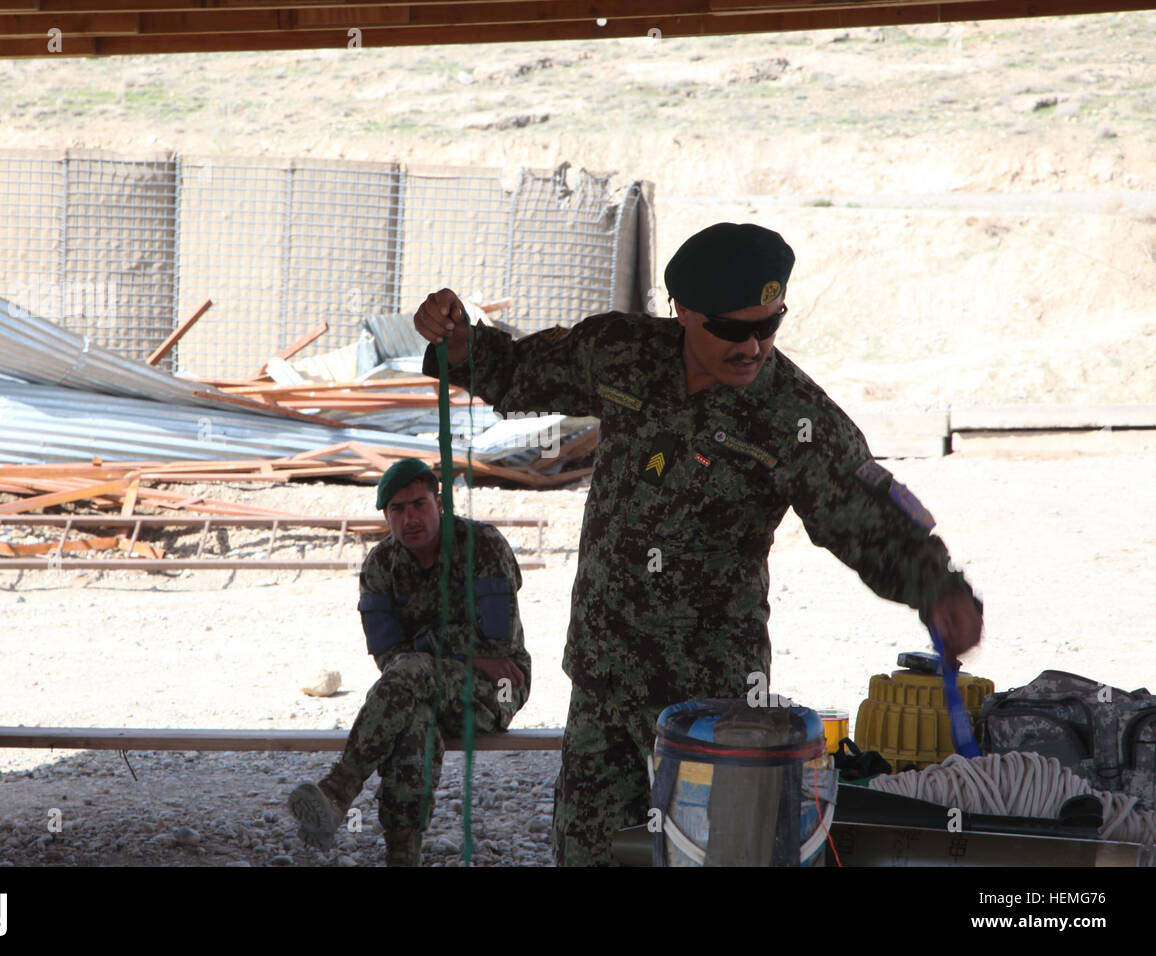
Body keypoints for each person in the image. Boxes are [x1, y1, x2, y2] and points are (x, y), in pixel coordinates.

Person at [412, 222, 984, 866]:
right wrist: (459, 343)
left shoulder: (791, 415)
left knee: (712, 857)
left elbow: (863, 513)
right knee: (592, 854)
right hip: (604, 674)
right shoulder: (622, 350)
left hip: (711, 702)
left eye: (770, 325)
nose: (754, 347)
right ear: (681, 311)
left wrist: (936, 589)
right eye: (732, 329)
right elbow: (518, 372)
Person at [288, 458, 531, 866]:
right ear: (386, 516)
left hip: (497, 688)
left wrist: (424, 644)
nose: (410, 518)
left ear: (440, 503)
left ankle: (339, 790)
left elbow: (498, 642)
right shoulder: (380, 566)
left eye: (418, 504)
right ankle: (402, 855)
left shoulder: (483, 546)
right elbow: (386, 655)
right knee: (414, 720)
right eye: (397, 510)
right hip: (416, 690)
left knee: (412, 674)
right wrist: (459, 652)